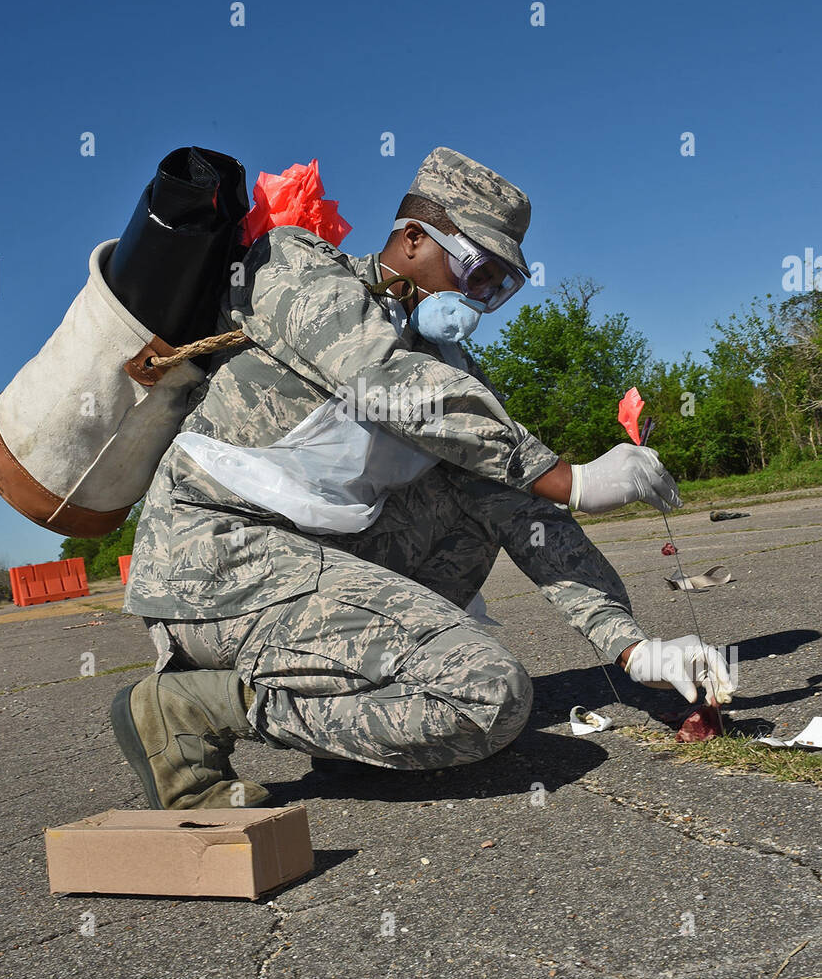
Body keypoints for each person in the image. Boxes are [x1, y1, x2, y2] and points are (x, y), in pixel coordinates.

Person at [113, 146, 732, 809]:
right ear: (413, 238)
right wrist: (570, 478)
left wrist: (636, 651)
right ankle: (196, 708)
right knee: (489, 696)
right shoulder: (294, 265)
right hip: (217, 568)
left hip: (312, 567)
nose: (476, 299)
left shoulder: (440, 362)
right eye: (476, 272)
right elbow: (385, 381)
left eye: (496, 287)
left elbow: (524, 510)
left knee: (488, 497)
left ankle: (357, 717)